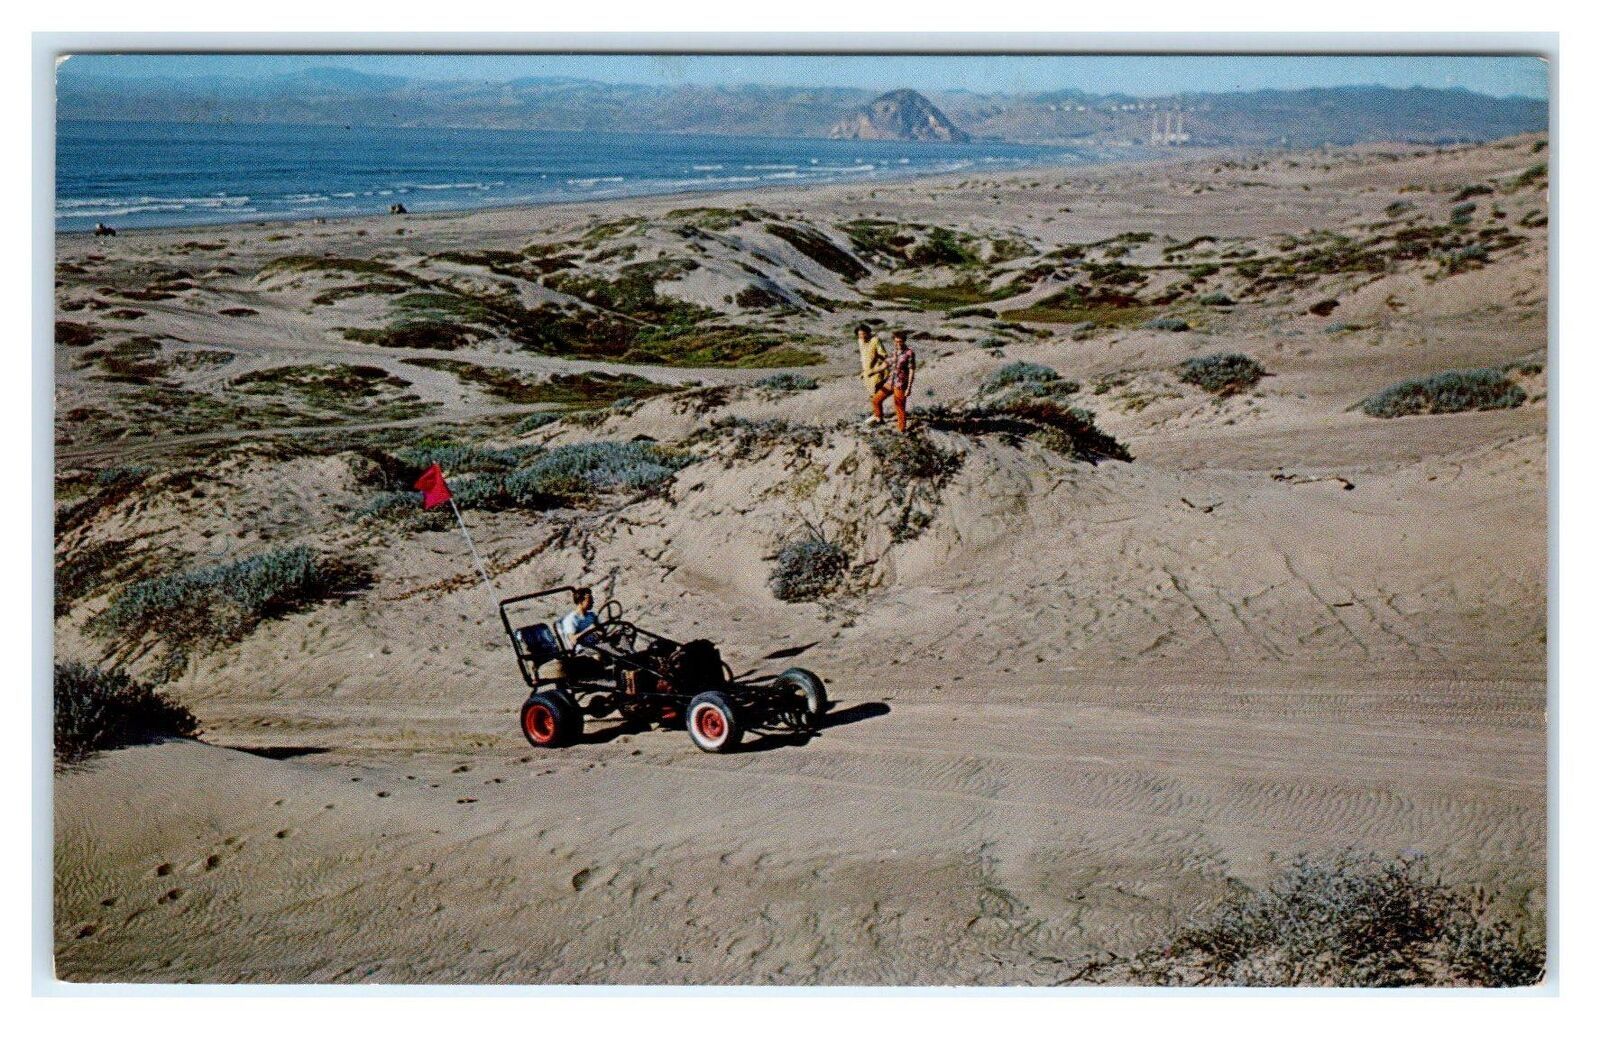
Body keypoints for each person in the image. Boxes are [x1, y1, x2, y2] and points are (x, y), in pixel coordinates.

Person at [871, 329, 917, 432]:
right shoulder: (894, 351)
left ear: (904, 341)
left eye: (900, 341)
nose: (898, 343)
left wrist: (909, 387)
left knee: (899, 406)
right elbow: (885, 364)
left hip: (901, 383)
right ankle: (879, 418)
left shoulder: (909, 353)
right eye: (896, 341)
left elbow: (911, 370)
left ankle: (902, 429)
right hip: (890, 381)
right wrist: (872, 371)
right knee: (876, 399)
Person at [856, 323, 889, 425]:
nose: (861, 337)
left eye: (863, 334)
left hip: (876, 372)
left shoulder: (875, 340)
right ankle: (877, 414)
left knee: (876, 395)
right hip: (867, 372)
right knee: (871, 395)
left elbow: (884, 355)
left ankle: (878, 417)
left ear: (868, 333)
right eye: (859, 335)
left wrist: (879, 367)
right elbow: (864, 357)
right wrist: (863, 371)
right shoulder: (860, 341)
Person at [557, 586, 601, 654]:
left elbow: (601, 631)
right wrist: (589, 629)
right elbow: (573, 640)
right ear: (581, 601)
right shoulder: (570, 619)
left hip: (597, 645)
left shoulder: (592, 615)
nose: (593, 602)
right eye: (590, 600)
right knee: (599, 656)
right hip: (583, 651)